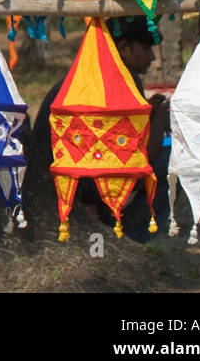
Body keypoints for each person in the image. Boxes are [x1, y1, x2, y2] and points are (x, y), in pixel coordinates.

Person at [33, 17, 171, 242]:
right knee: (168, 164)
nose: (152, 57)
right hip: (80, 182)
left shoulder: (84, 75)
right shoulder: (123, 80)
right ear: (124, 48)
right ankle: (132, 237)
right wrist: (157, 122)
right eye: (146, 48)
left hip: (60, 175)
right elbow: (141, 155)